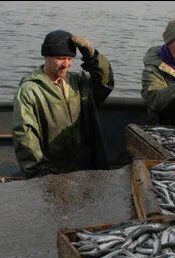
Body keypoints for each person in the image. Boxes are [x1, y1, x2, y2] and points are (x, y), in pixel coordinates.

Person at [12, 30, 114, 178]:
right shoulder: (30, 90)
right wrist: (41, 172)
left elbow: (105, 84)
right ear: (46, 56)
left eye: (70, 59)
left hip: (85, 167)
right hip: (51, 171)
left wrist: (92, 57)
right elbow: (24, 135)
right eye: (61, 58)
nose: (66, 64)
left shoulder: (78, 82)